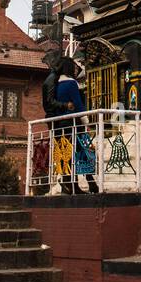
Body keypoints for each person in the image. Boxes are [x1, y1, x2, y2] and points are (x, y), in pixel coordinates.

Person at [55, 59, 96, 194]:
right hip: (74, 123)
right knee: (83, 151)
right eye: (74, 67)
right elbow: (78, 104)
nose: (76, 69)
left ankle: (70, 183)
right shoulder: (72, 83)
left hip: (60, 124)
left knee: (67, 153)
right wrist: (87, 123)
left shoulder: (56, 84)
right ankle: (90, 182)